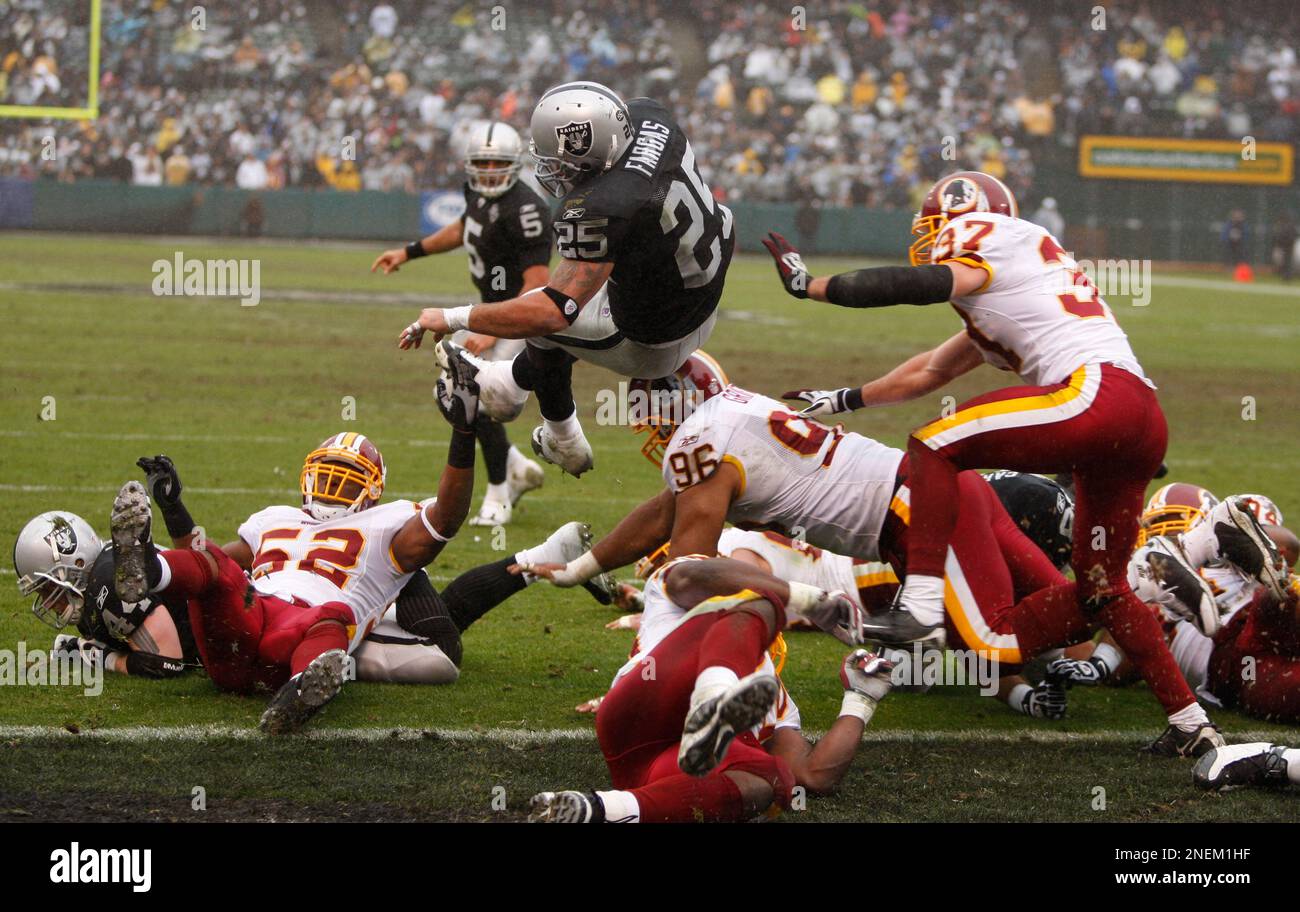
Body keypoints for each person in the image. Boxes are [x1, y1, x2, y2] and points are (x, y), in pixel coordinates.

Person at [762, 170, 1286, 755]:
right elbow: (930, 371)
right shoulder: (1019, 280)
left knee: (934, 445)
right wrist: (844, 399)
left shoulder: (987, 237)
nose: (929, 234)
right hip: (1138, 419)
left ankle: (922, 607)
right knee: (1100, 590)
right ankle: (1193, 728)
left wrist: (813, 286)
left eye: (934, 222)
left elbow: (924, 281)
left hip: (1096, 397)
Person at [103, 378, 481, 733]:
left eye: (348, 476)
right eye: (327, 472)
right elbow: (205, 566)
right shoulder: (275, 519)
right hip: (244, 623)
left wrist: (463, 433)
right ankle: (146, 568)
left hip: (295, 639)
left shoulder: (387, 527)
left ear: (373, 490)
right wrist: (173, 507)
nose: (334, 483)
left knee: (335, 615)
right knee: (218, 563)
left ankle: (302, 692)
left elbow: (446, 517)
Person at [397, 81, 734, 478]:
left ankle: (565, 441)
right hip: (698, 284)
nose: (552, 172)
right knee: (569, 310)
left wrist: (453, 317)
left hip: (656, 339)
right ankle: (507, 383)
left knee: (544, 318)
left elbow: (552, 312)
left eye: (558, 162)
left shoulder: (600, 207)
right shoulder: (649, 118)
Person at [528, 555, 885, 823]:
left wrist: (860, 699)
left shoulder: (775, 696)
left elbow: (815, 776)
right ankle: (710, 701)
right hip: (647, 702)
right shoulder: (681, 599)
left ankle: (602, 809)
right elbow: (690, 576)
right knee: (762, 602)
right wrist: (808, 600)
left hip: (662, 771)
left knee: (776, 780)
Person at [373, 121, 549, 525]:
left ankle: (500, 494)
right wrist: (409, 252)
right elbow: (463, 228)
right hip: (487, 310)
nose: (488, 169)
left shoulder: (527, 209)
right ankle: (514, 468)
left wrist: (493, 328)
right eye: (481, 161)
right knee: (462, 394)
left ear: (515, 163)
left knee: (479, 402)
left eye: (497, 162)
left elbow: (537, 282)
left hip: (519, 315)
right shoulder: (476, 192)